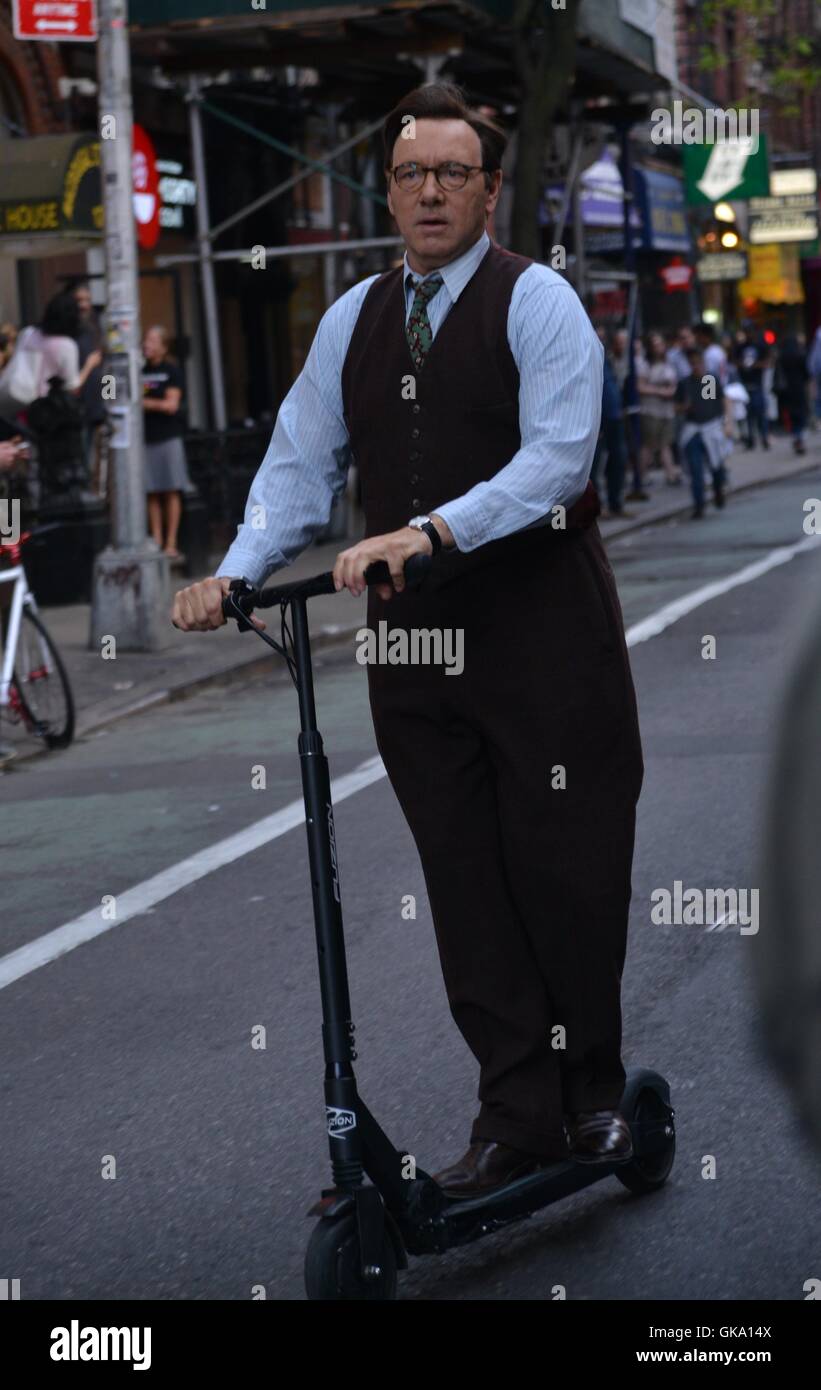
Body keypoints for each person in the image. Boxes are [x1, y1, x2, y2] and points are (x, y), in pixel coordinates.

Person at [171, 80, 645, 1194]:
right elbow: (299, 460)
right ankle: (514, 1110)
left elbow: (557, 462)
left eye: (452, 173)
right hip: (413, 650)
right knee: (465, 882)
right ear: (387, 191)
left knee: (565, 869)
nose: (429, 191)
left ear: (487, 191)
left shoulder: (538, 305)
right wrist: (235, 573)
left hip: (543, 636)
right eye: (409, 174)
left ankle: (592, 1096)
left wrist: (432, 530)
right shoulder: (351, 318)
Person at [141, 325, 191, 562]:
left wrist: (141, 402)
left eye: (152, 340)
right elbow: (113, 394)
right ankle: (157, 540)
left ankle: (171, 543)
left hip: (168, 436)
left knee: (171, 488)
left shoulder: (171, 371)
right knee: (151, 491)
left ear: (163, 346)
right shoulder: (138, 369)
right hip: (146, 438)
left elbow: (171, 405)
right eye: (145, 340)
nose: (146, 344)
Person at [676, 345, 734, 519]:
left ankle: (718, 490)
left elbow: (721, 401)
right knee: (695, 469)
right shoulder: (684, 383)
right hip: (693, 430)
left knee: (716, 466)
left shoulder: (709, 381)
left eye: (698, 363)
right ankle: (699, 504)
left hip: (711, 428)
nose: (695, 367)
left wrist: (727, 423)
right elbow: (677, 406)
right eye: (692, 363)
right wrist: (684, 407)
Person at [71, 279, 107, 493]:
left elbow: (106, 369)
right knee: (82, 460)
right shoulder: (69, 334)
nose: (84, 305)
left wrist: (108, 401)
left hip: (95, 408)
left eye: (87, 300)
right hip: (76, 407)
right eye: (79, 300)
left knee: (96, 461)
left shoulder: (95, 330)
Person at [637, 331, 682, 486]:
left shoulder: (668, 363)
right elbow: (640, 387)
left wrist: (671, 391)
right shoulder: (645, 364)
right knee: (649, 445)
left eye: (661, 344)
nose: (659, 347)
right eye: (655, 344)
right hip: (651, 410)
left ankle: (670, 474)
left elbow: (674, 384)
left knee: (665, 444)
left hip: (666, 410)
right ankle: (641, 476)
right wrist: (659, 391)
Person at [734, 327, 770, 450]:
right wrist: (742, 365)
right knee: (748, 415)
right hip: (744, 385)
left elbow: (767, 361)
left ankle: (764, 437)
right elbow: (735, 361)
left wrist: (755, 365)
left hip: (757, 384)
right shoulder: (740, 347)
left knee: (760, 413)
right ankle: (751, 440)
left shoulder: (760, 346)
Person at [776, 333, 810, 455]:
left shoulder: (781, 357)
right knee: (800, 414)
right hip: (798, 389)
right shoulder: (800, 355)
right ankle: (799, 437)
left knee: (792, 415)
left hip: (786, 391)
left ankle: (796, 437)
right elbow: (806, 373)